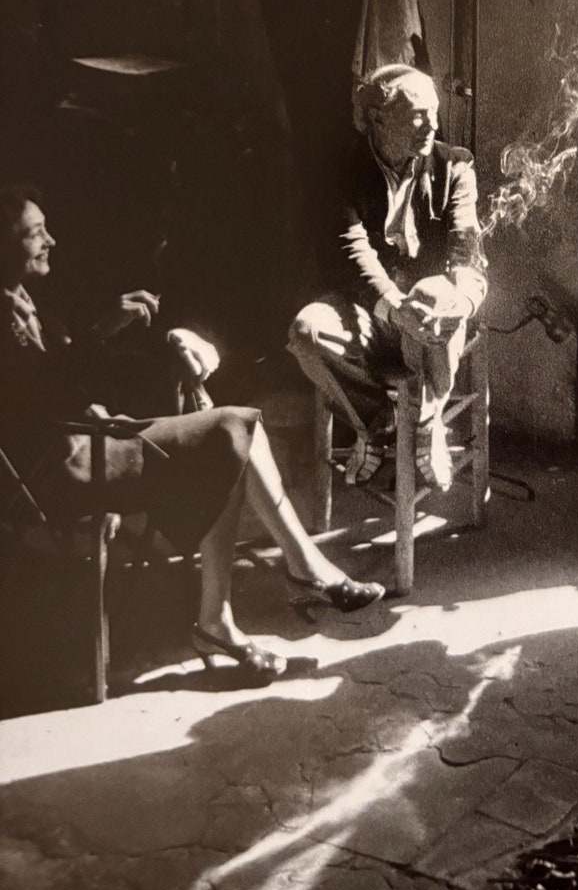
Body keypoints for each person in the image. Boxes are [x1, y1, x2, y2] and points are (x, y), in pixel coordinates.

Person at [0, 186, 384, 688]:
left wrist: (143, 345)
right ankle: (282, 580)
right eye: (34, 233)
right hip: (58, 468)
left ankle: (246, 602)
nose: (50, 240)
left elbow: (60, 381)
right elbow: (38, 396)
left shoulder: (22, 297)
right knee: (229, 431)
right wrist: (101, 331)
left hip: (82, 442)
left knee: (232, 435)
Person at [288, 65, 487, 490]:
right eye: (417, 115)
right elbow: (351, 254)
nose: (432, 124)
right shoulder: (338, 171)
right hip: (367, 307)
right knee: (306, 332)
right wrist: (396, 309)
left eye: (434, 111)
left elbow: (466, 253)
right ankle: (378, 421)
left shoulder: (455, 167)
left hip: (431, 317)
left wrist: (462, 299)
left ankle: (427, 422)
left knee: (431, 293)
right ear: (377, 119)